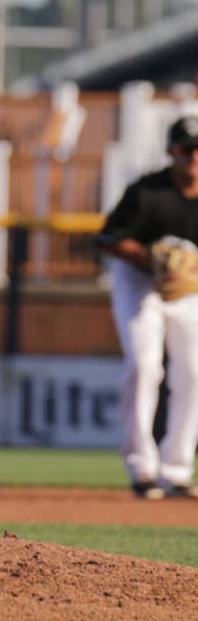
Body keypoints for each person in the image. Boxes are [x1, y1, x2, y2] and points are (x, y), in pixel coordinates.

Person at [96, 115, 198, 500]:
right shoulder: (147, 192)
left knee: (194, 374)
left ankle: (177, 469)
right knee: (143, 366)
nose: (194, 156)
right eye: (187, 148)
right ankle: (142, 467)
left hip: (189, 290)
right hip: (139, 284)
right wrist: (150, 259)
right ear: (172, 152)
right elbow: (107, 239)